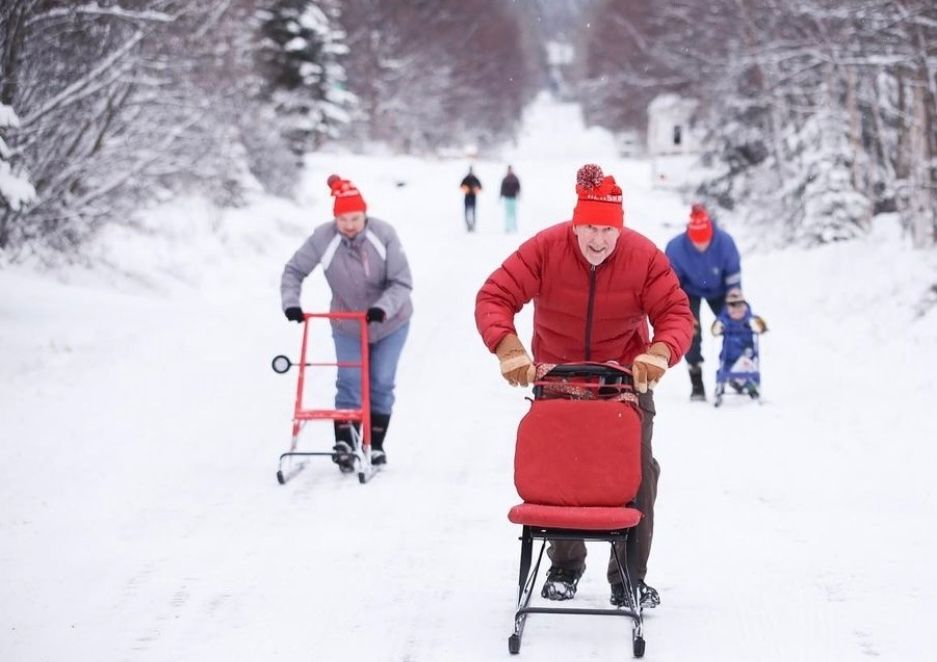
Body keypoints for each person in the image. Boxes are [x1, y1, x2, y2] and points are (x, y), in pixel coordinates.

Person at [475, 163, 694, 609]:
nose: (598, 240)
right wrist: (508, 347)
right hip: (558, 382)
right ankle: (565, 564)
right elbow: (494, 296)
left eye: (607, 231)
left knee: (637, 474)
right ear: (576, 225)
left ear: (621, 228)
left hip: (625, 383)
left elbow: (675, 313)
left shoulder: (644, 257)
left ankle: (627, 577)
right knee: (560, 475)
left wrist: (659, 352)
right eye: (590, 228)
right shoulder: (545, 249)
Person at [281, 174, 413, 469]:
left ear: (364, 215)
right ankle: (345, 443)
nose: (350, 225)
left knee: (380, 381)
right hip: (348, 323)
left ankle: (375, 445)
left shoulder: (384, 234)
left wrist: (382, 308)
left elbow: (402, 283)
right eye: (343, 219)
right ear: (335, 218)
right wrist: (291, 304)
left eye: (355, 218)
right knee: (350, 380)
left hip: (390, 322)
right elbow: (293, 271)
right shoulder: (323, 238)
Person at [664, 203, 742, 401]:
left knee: (736, 326)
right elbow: (673, 283)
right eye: (696, 242)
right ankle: (696, 380)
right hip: (689, 290)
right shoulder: (675, 248)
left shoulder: (725, 243)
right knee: (690, 331)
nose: (701, 245)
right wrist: (682, 310)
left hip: (720, 289)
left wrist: (735, 300)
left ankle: (732, 369)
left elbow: (733, 275)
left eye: (705, 240)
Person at [711, 290, 768, 397]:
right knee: (724, 370)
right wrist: (717, 327)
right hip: (728, 357)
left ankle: (750, 387)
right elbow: (715, 329)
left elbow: (762, 327)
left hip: (746, 355)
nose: (736, 308)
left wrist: (757, 325)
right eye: (732, 305)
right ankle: (721, 386)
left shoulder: (749, 320)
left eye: (740, 304)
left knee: (748, 368)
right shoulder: (725, 321)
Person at [499, 165, 521, 233]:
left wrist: (519, 194)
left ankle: (514, 227)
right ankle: (508, 227)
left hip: (513, 197)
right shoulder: (505, 178)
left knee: (513, 213)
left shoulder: (515, 178)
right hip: (507, 198)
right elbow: (502, 188)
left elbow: (518, 187)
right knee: (508, 213)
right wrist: (501, 195)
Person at [460, 166, 482, 232]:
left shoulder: (475, 178)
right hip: (467, 197)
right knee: (466, 212)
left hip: (473, 197)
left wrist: (476, 189)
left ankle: (473, 225)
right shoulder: (466, 178)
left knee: (473, 212)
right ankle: (468, 226)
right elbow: (461, 186)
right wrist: (465, 189)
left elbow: (480, 187)